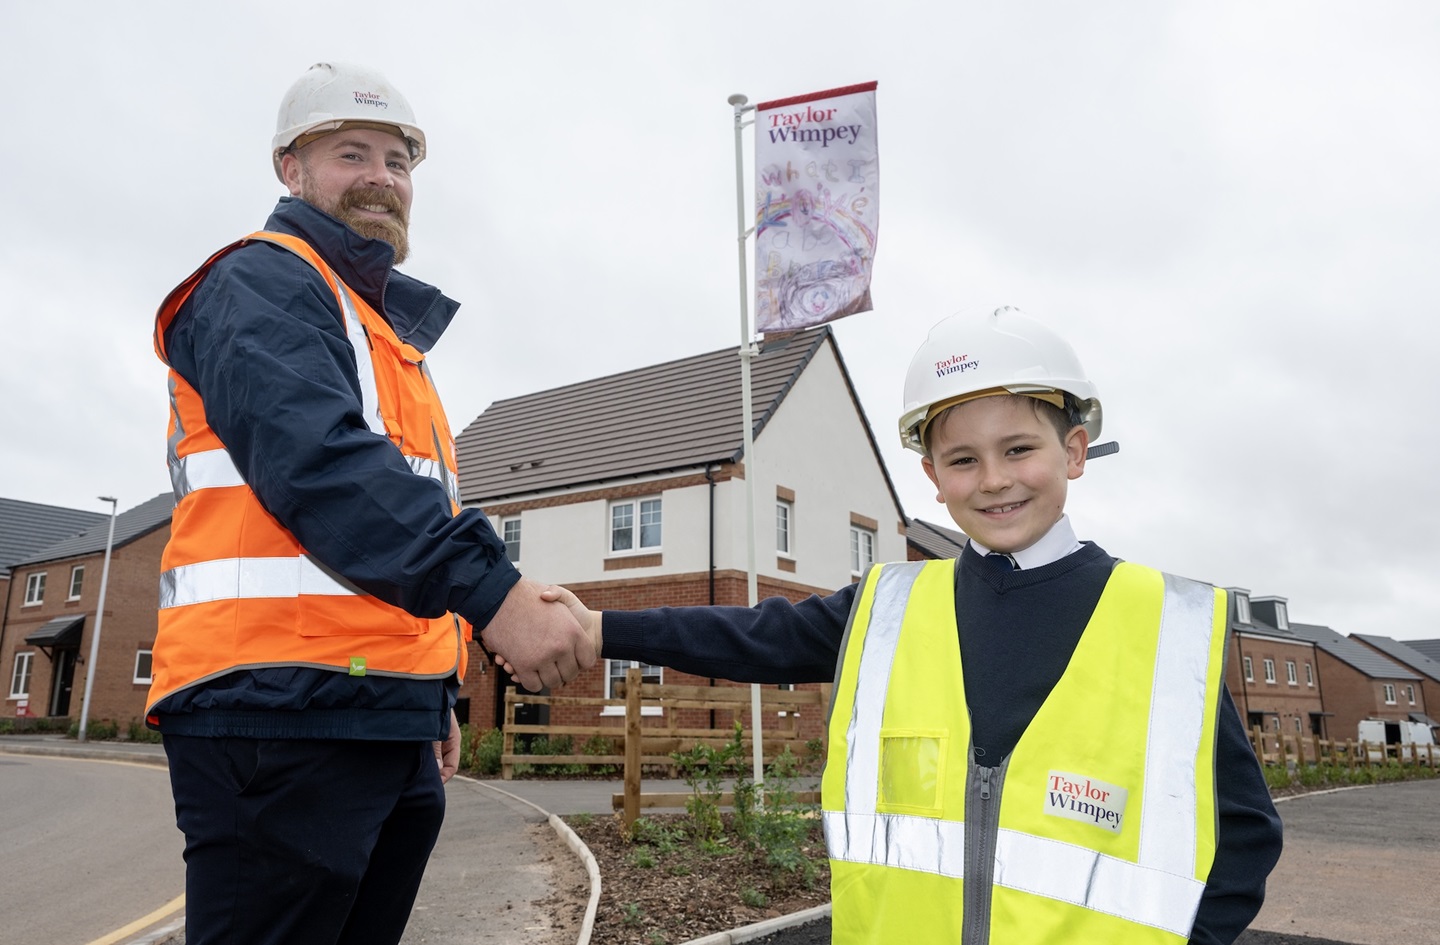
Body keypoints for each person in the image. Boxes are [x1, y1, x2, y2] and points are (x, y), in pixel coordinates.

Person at [536, 306, 1282, 945]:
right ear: (932, 475)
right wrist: (602, 630)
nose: (992, 479)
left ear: (1075, 451)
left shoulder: (1159, 624)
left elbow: (1245, 832)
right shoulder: (888, 606)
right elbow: (755, 635)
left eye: (1018, 448)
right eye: (962, 459)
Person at [146, 61, 595, 945]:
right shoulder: (260, 284)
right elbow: (324, 467)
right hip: (272, 710)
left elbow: (408, 508)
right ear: (290, 168)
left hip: (375, 715)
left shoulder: (382, 333)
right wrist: (495, 595)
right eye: (353, 153)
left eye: (399, 161)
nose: (383, 178)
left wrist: (436, 697)